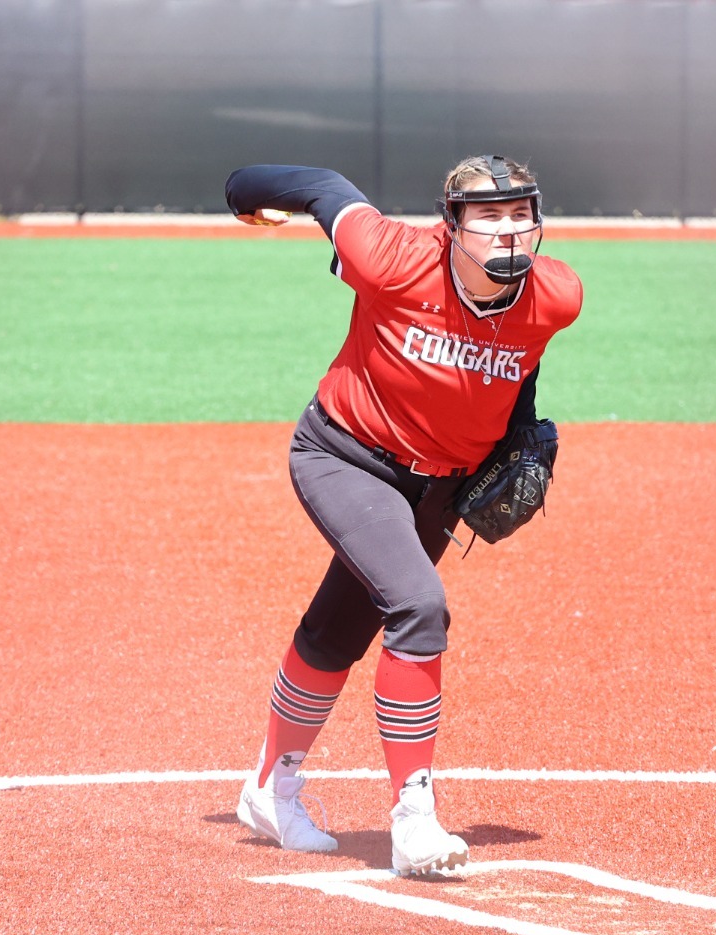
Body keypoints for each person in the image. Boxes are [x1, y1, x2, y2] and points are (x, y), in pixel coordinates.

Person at [224, 156, 582, 875]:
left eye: (520, 214)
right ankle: (414, 817)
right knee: (418, 606)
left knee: (339, 628)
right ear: (450, 227)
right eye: (488, 215)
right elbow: (326, 187)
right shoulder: (392, 258)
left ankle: (268, 786)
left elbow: (520, 368)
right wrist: (243, 194)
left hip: (438, 487)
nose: (508, 230)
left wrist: (512, 439)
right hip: (344, 456)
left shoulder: (558, 295)